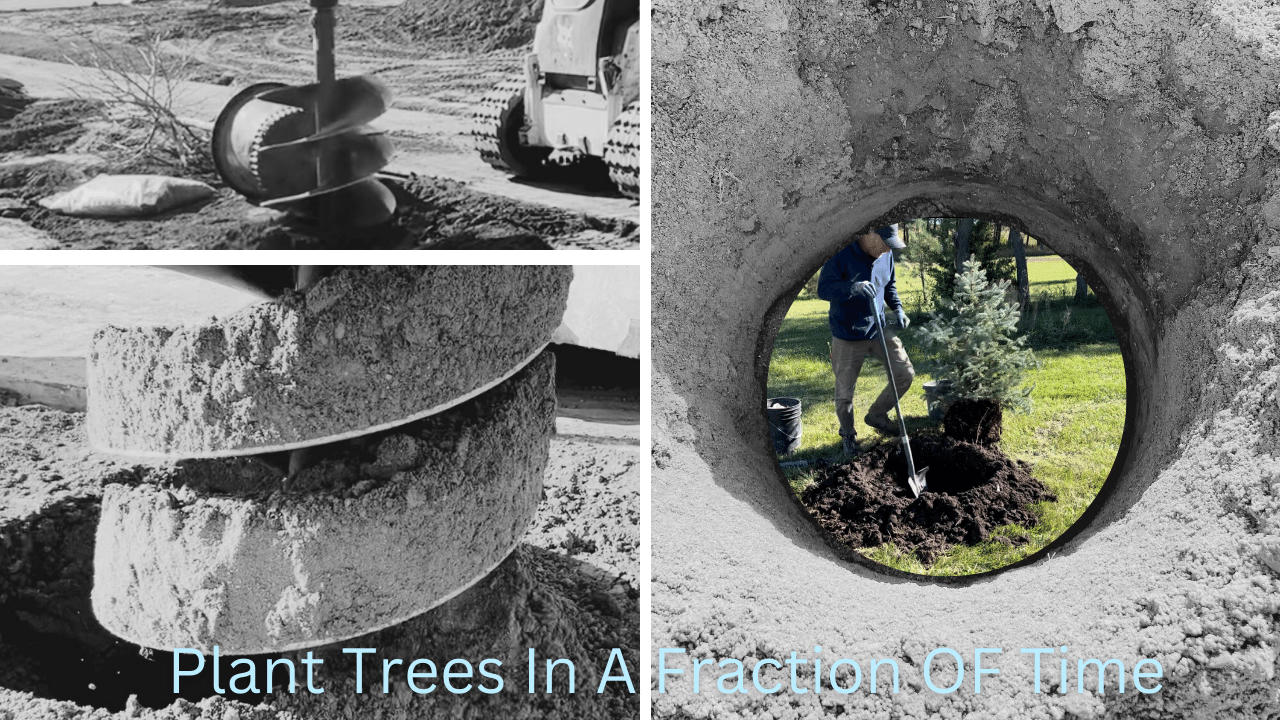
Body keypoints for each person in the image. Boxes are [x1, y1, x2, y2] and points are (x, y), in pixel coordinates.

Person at [817, 225, 916, 455]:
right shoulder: (841, 252)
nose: (886, 250)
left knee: (905, 374)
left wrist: (898, 309)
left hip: (879, 329)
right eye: (884, 243)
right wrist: (852, 287)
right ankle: (848, 436)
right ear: (870, 234)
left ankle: (877, 415)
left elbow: (889, 285)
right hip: (848, 333)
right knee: (844, 395)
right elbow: (823, 290)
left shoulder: (886, 255)